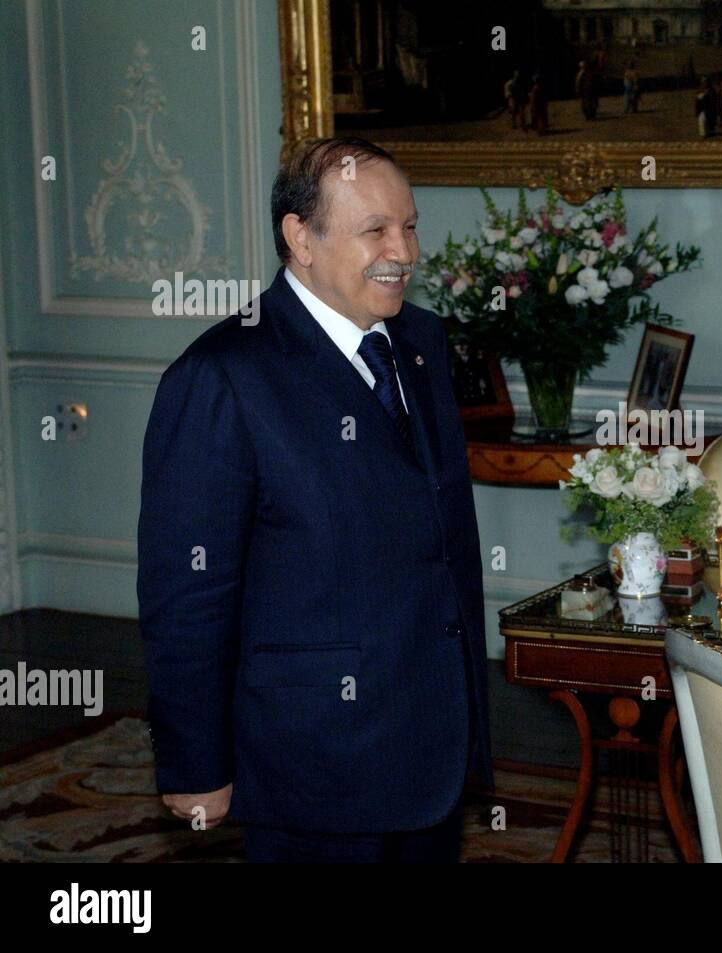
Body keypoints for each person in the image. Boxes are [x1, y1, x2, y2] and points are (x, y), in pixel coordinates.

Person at [138, 137, 494, 863]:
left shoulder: (421, 343)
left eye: (411, 225)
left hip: (433, 742)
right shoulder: (222, 377)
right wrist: (197, 763)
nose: (405, 250)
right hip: (316, 764)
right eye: (376, 230)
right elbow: (188, 593)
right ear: (300, 237)